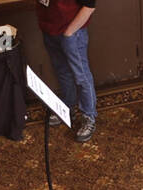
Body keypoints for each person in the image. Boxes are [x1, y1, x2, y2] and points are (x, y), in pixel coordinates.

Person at [37, 0, 97, 142]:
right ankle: (67, 109)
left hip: (72, 32)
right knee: (62, 73)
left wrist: (69, 33)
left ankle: (89, 116)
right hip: (50, 30)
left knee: (81, 76)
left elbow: (89, 6)